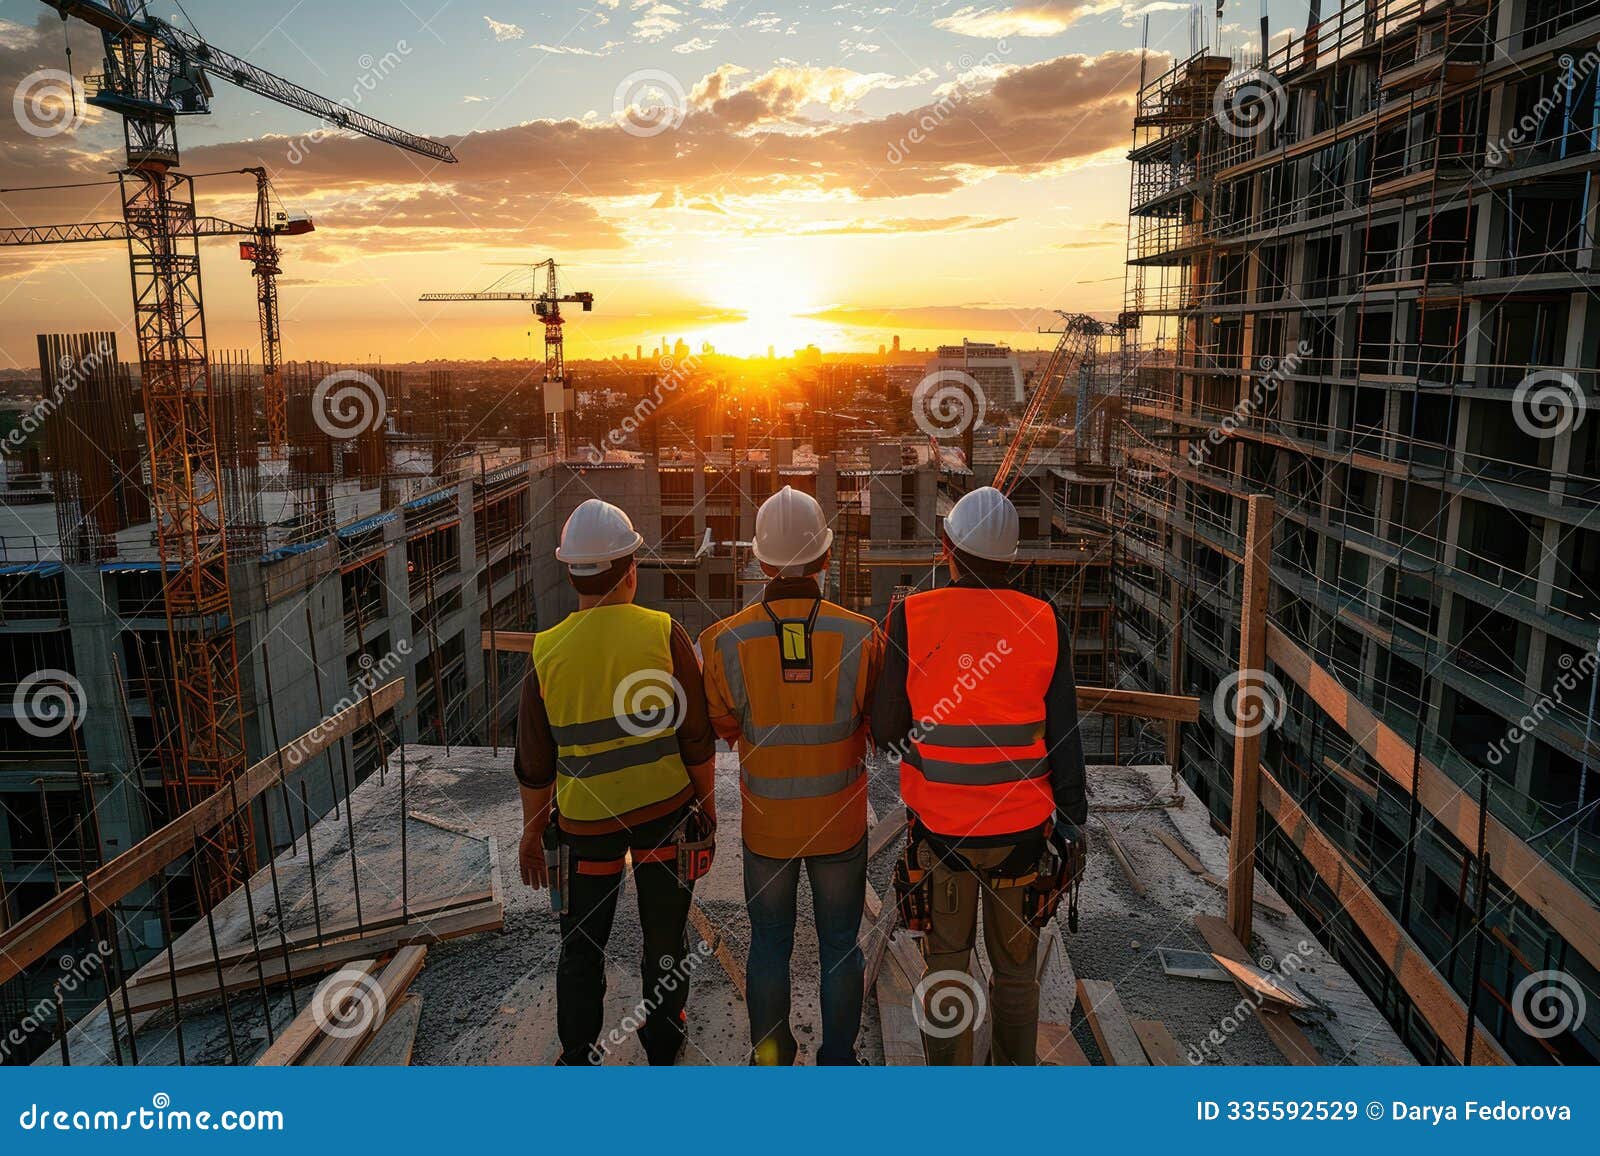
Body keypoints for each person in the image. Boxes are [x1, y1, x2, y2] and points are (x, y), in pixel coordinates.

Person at [871, 485, 1087, 1065]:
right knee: (1017, 974)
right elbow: (1065, 736)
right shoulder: (1044, 622)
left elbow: (887, 729)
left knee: (948, 970)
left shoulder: (911, 616)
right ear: (1013, 558)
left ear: (946, 549)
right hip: (1021, 837)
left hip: (942, 835)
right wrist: (1072, 824)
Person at [516, 498, 717, 1065]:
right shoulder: (663, 632)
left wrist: (532, 835)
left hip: (585, 828)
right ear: (630, 569)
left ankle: (577, 1052)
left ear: (572, 570)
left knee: (581, 945)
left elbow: (535, 762)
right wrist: (708, 806)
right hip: (664, 814)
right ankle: (662, 1038)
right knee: (664, 941)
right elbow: (695, 736)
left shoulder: (547, 651)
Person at [699, 486, 883, 1065]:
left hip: (767, 830)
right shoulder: (862, 636)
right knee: (839, 949)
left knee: (770, 947)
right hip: (839, 827)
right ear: (826, 558)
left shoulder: (724, 641)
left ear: (760, 561)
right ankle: (838, 1062)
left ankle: (771, 1061)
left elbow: (726, 725)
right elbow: (876, 721)